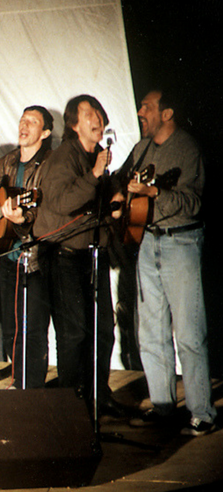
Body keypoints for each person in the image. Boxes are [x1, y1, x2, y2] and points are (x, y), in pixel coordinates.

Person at [122, 89, 216, 436]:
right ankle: (162, 406)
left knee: (189, 333)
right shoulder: (141, 149)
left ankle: (201, 412)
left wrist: (155, 193)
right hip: (148, 242)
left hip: (181, 243)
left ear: (167, 113)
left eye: (146, 107)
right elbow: (125, 186)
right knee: (151, 332)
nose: (139, 112)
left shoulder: (188, 148)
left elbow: (191, 203)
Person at [32, 94, 124, 417]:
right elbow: (61, 202)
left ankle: (99, 396)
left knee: (102, 329)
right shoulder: (62, 157)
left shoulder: (97, 154)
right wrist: (96, 176)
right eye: (89, 114)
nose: (97, 118)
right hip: (63, 254)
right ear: (74, 124)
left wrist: (116, 194)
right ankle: (68, 409)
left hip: (92, 253)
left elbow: (103, 194)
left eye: (99, 112)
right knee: (73, 334)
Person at [0, 106, 53, 389]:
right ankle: (17, 381)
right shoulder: (7, 160)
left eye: (32, 122)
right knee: (10, 328)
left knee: (32, 329)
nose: (24, 126)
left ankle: (31, 388)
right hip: (7, 255)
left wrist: (23, 217)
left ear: (45, 132)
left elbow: (47, 208)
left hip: (36, 257)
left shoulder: (50, 164)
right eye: (23, 121)